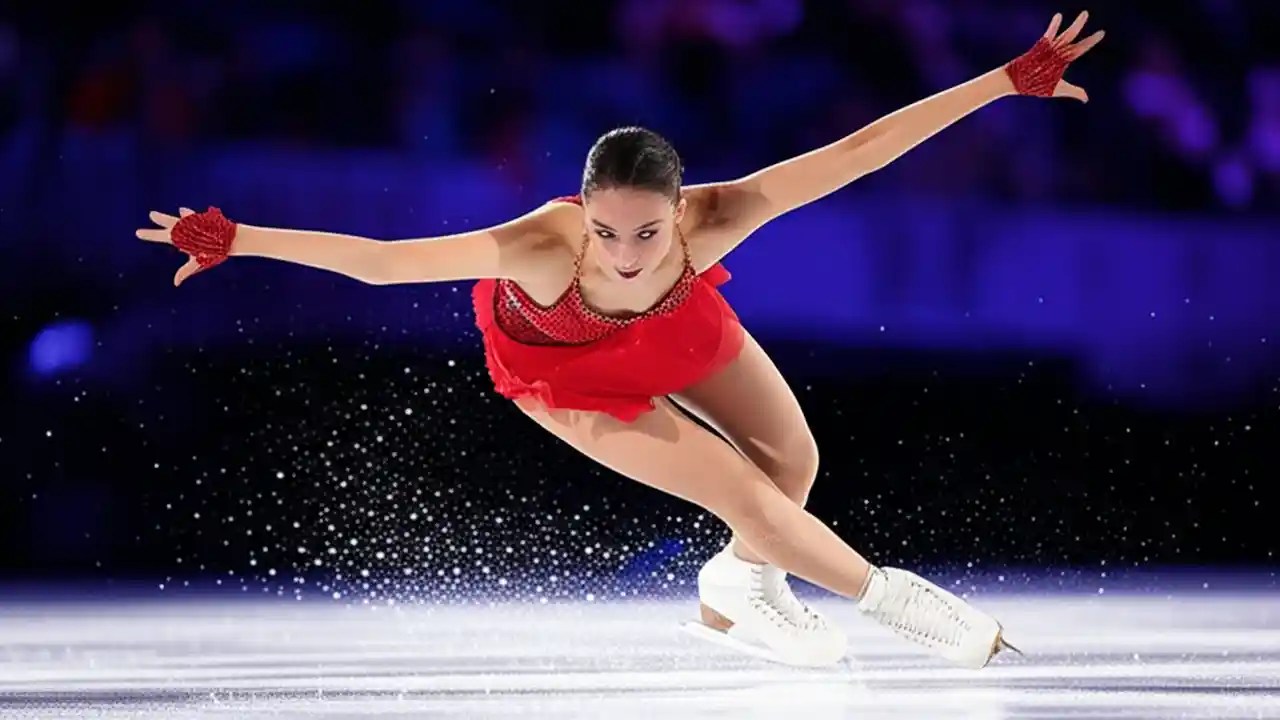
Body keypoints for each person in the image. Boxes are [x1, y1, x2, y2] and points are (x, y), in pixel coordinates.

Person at [138, 12, 1103, 669]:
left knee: (793, 462)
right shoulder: (536, 246)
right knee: (747, 494)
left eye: (648, 232)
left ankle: (738, 591)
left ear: (680, 213)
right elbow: (384, 263)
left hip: (673, 330)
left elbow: (857, 153)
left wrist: (1000, 83)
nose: (627, 253)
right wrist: (240, 240)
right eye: (606, 232)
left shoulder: (716, 219)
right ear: (583, 211)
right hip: (566, 373)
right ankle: (900, 603)